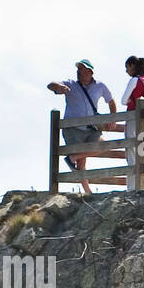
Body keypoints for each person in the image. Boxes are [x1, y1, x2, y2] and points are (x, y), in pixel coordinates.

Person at [47, 59, 117, 195]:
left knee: (103, 145)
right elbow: (50, 85)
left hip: (91, 128)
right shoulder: (71, 84)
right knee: (82, 162)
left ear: (90, 72)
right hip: (73, 129)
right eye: (78, 70)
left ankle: (71, 158)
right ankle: (88, 192)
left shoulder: (100, 86)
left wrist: (112, 118)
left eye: (83, 70)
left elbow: (111, 101)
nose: (79, 73)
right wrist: (59, 88)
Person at [120, 56, 144, 191]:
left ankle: (132, 188)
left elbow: (123, 100)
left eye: (127, 67)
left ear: (132, 66)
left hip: (133, 117)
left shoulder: (134, 80)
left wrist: (130, 102)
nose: (126, 70)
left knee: (132, 151)